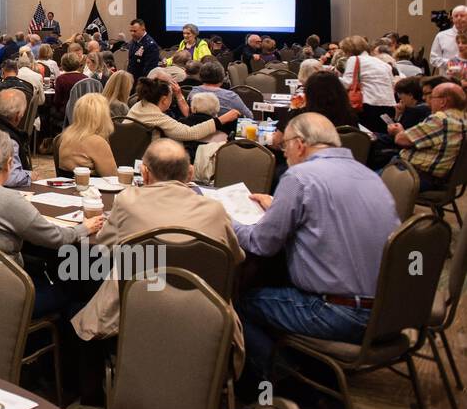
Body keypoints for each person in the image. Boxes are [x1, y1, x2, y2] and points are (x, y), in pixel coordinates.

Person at [233, 114, 399, 390]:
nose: (284, 153)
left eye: (284, 145)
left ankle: (288, 383)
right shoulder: (370, 175)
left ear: (299, 144)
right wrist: (280, 207)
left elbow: (262, 243)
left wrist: (224, 218)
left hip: (340, 313)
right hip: (390, 310)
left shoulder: (299, 177)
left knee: (237, 302)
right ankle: (310, 365)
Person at [73, 140, 243, 348]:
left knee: (81, 283)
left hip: (136, 314)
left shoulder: (128, 201)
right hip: (205, 321)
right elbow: (234, 259)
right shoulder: (215, 210)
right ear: (190, 174)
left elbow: (103, 246)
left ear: (144, 173)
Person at [0, 129, 95, 313]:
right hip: (3, 290)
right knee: (77, 287)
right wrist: (85, 228)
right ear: (9, 163)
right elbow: (57, 239)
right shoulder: (8, 200)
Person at [389, 82, 467, 190]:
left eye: (431, 97)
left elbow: (401, 140)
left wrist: (399, 131)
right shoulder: (463, 119)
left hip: (414, 175)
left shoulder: (440, 120)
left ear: (443, 101)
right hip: (441, 179)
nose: (425, 99)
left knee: (365, 183)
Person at [126, 76, 237, 143]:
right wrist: (221, 120)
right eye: (171, 96)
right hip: (145, 160)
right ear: (164, 99)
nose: (172, 99)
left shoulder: (138, 106)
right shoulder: (157, 118)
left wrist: (178, 94)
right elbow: (190, 133)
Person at [337, 35, 395, 134]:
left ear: (349, 50)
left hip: (369, 106)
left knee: (367, 138)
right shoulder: (382, 63)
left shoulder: (354, 59)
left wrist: (331, 77)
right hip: (389, 106)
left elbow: (347, 83)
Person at [57, 93, 117, 176]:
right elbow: (112, 177)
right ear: (103, 116)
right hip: (91, 187)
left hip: (69, 186)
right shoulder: (96, 142)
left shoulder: (66, 137)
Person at [187, 60, 252, 118]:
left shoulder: (193, 92)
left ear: (200, 76)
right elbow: (249, 116)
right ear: (222, 78)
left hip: (199, 130)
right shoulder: (231, 96)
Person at [429, 4, 467, 71]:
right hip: (448, 78)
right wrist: (452, 63)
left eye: (462, 15)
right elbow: (433, 59)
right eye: (456, 16)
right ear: (452, 19)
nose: (459, 18)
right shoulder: (441, 36)